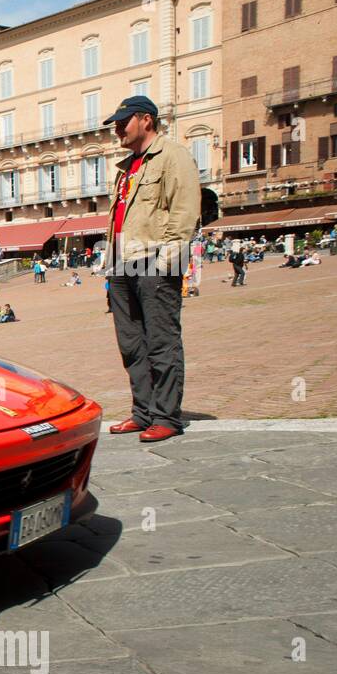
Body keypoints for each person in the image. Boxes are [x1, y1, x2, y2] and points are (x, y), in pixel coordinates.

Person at [102, 95, 200, 443]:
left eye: (122, 121)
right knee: (131, 345)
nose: (117, 128)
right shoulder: (126, 167)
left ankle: (166, 416)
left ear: (145, 119)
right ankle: (142, 412)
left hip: (153, 264)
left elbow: (184, 213)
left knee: (162, 342)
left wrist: (164, 265)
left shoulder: (173, 156)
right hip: (121, 265)